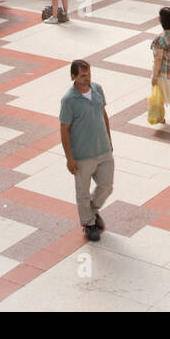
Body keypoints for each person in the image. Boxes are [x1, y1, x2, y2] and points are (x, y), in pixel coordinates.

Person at [60, 59, 114, 242]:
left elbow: (103, 113)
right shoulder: (69, 100)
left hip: (103, 149)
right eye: (83, 76)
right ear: (73, 77)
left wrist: (109, 138)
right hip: (82, 155)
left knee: (106, 186)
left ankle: (91, 210)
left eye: (89, 74)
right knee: (82, 192)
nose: (87, 79)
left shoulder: (97, 89)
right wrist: (69, 158)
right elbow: (64, 129)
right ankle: (89, 224)